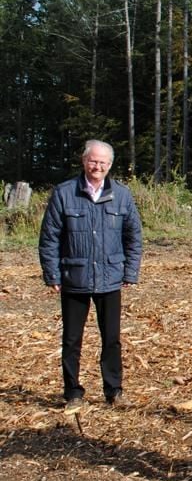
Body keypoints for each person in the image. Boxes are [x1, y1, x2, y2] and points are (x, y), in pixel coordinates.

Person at [39, 140, 143, 410]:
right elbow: (49, 237)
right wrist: (52, 274)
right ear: (84, 161)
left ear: (109, 165)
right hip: (75, 277)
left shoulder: (122, 195)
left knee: (112, 339)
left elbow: (134, 236)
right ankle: (73, 392)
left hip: (110, 278)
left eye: (103, 162)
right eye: (93, 161)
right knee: (72, 339)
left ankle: (114, 391)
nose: (97, 166)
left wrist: (130, 271)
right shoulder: (64, 194)